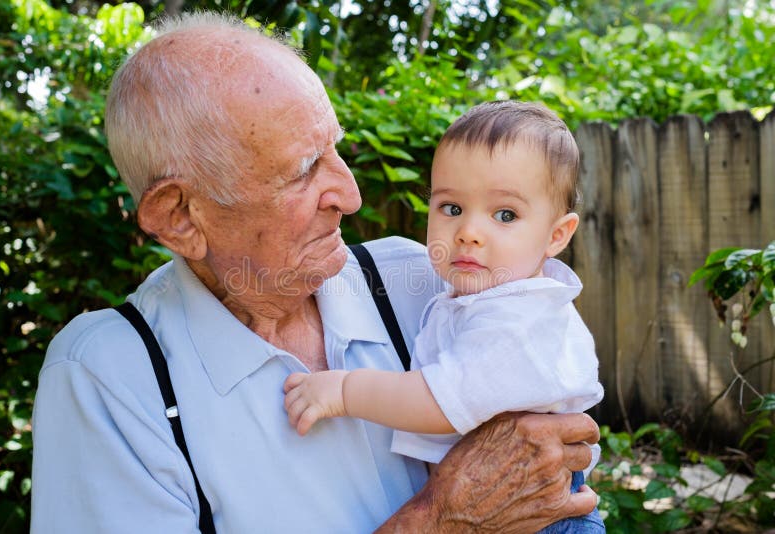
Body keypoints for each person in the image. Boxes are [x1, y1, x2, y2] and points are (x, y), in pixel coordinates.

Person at [30, 12, 601, 533]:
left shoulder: (428, 282)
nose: (349, 196)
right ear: (180, 216)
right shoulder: (110, 379)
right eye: (305, 169)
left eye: (336, 149)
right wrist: (438, 522)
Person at [284, 101, 605, 532]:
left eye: (505, 215)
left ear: (557, 235)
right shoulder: (483, 298)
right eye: (451, 208)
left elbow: (438, 402)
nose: (468, 231)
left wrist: (344, 390)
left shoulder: (517, 319)